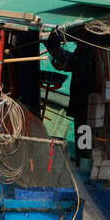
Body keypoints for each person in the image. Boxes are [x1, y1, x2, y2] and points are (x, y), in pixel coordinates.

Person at [42, 28, 98, 163]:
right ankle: (83, 160)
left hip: (86, 101)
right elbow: (74, 63)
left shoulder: (90, 48)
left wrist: (58, 53)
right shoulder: (85, 48)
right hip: (82, 101)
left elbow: (79, 64)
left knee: (85, 131)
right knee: (83, 131)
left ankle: (84, 162)